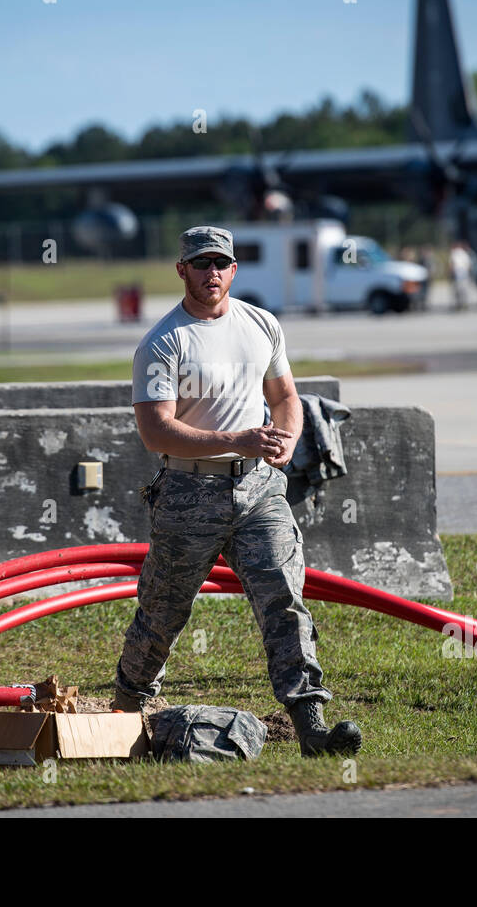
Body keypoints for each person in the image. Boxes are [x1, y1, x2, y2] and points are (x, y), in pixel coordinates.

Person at [114, 225, 362, 758]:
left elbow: (286, 397)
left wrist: (287, 440)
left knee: (284, 600)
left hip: (259, 491)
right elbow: (154, 430)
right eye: (200, 264)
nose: (212, 274)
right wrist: (238, 438)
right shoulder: (163, 341)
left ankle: (311, 726)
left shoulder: (261, 324)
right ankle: (124, 711)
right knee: (162, 612)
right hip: (188, 493)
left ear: (234, 268)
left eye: (221, 264)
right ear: (181, 270)